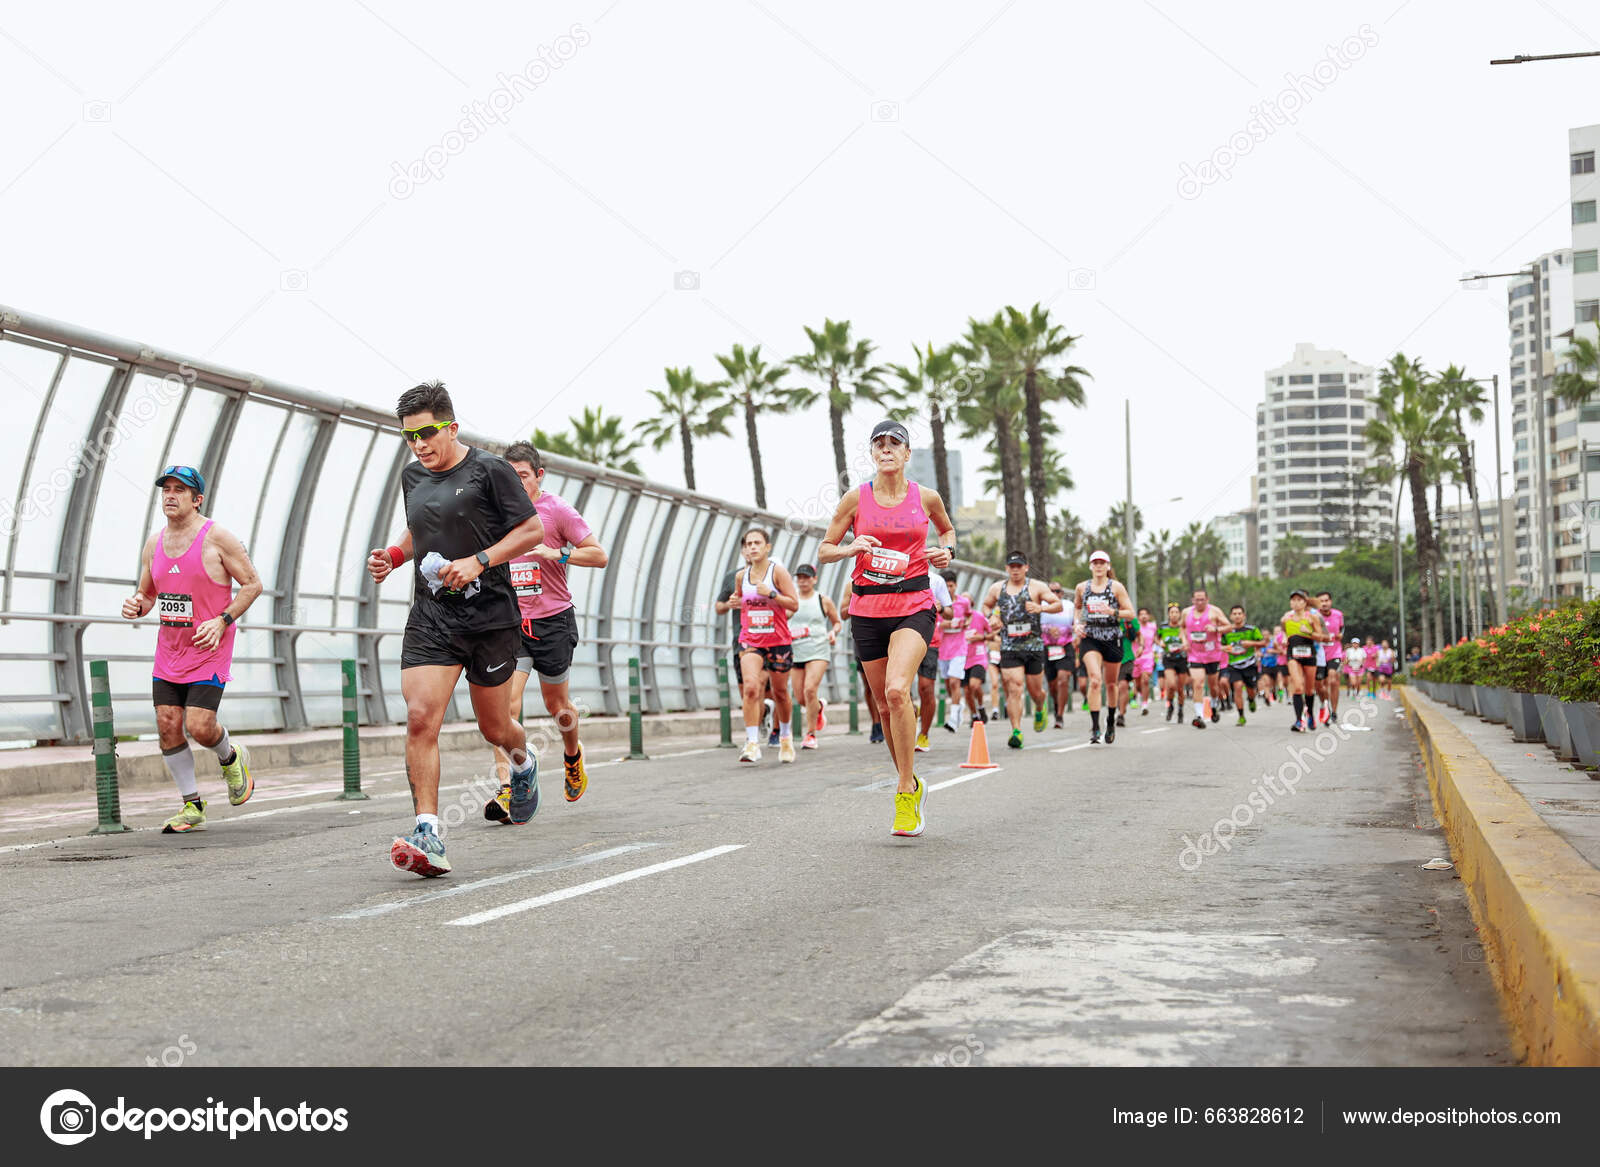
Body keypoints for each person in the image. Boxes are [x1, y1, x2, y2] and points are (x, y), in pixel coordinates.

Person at [369, 382, 546, 877]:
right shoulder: (413, 477)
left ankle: (523, 762)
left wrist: (479, 560)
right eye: (409, 437)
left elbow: (531, 531)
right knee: (422, 718)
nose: (419, 444)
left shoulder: (491, 470)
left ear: (451, 426)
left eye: (426, 433)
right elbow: (419, 527)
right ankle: (428, 829)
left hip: (490, 618)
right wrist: (394, 556)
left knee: (495, 727)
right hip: (433, 617)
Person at [818, 419, 956, 837]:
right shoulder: (855, 499)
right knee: (883, 705)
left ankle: (901, 792)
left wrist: (945, 551)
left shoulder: (926, 497)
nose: (886, 449)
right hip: (866, 608)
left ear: (907, 453)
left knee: (898, 690)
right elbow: (824, 551)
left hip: (914, 604)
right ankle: (914, 783)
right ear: (872, 453)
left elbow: (947, 531)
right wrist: (850, 548)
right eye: (879, 443)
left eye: (895, 442)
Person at [122, 465, 263, 833]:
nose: (170, 495)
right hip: (170, 650)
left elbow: (252, 585)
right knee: (168, 725)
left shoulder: (218, 538)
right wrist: (136, 604)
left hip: (209, 646)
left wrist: (222, 621)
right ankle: (192, 805)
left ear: (197, 499)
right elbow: (149, 593)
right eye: (165, 489)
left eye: (179, 490)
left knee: (199, 726)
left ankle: (230, 759)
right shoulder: (154, 543)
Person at [483, 442, 607, 821]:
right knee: (505, 707)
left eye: (522, 475)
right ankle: (510, 786)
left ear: (538, 476)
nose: (516, 483)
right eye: (510, 476)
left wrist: (561, 554)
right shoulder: (496, 513)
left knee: (559, 709)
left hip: (553, 621)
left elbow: (599, 555)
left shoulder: (556, 511)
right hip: (512, 624)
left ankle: (572, 754)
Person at [726, 527, 800, 763]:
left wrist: (772, 595)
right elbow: (740, 600)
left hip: (778, 639)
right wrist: (736, 602)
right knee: (750, 687)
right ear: (744, 550)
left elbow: (794, 604)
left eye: (757, 543)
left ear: (767, 547)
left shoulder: (777, 573)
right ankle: (752, 743)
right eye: (748, 544)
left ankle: (786, 737)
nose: (753, 547)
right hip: (751, 639)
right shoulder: (741, 576)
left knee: (779, 693)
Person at [980, 551, 1062, 749]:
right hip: (1009, 645)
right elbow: (985, 605)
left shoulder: (1037, 587)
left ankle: (1040, 707)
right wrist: (992, 617)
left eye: (1019, 566)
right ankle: (1016, 731)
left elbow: (1058, 605)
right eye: (1012, 567)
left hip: (1033, 646)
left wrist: (1041, 608)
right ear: (1007, 568)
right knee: (1014, 686)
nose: (1015, 570)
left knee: (1036, 691)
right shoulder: (997, 588)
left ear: (1026, 567)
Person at [1072, 551, 1135, 744]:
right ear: (1090, 566)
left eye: (1102, 563)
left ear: (1108, 566)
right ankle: (1095, 727)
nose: (1098, 566)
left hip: (1112, 638)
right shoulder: (1082, 587)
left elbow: (1130, 613)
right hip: (1091, 637)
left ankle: (1110, 721)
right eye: (1095, 563)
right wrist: (1076, 624)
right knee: (1095, 680)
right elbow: (1077, 607)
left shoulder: (1116, 587)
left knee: (1110, 684)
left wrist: (1113, 611)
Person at [789, 564, 843, 750]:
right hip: (795, 650)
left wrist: (832, 633)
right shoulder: (790, 599)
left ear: (814, 579)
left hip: (818, 649)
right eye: (800, 577)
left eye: (806, 577)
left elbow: (837, 622)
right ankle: (818, 707)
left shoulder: (823, 600)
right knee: (801, 697)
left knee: (810, 689)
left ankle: (810, 734)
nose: (803, 581)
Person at [914, 571, 956, 752]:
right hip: (901, 639)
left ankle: (923, 734)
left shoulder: (936, 580)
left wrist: (940, 608)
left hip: (929, 640)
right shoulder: (899, 572)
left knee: (926, 688)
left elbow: (950, 613)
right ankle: (910, 711)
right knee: (898, 688)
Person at [1180, 588, 1232, 729]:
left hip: (1212, 654)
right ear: (1192, 600)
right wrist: (1184, 641)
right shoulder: (1186, 612)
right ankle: (1199, 716)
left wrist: (1216, 629)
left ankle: (1214, 705)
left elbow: (1229, 626)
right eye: (1197, 599)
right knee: (1198, 683)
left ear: (1207, 600)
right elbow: (1182, 627)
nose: (1200, 602)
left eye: (1202, 599)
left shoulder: (1214, 611)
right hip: (1194, 654)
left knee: (1214, 686)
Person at [1279, 588, 1327, 732]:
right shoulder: (1286, 618)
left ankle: (1310, 714)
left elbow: (1322, 637)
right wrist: (1284, 637)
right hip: (1293, 654)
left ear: (1305, 603)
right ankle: (1299, 720)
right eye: (1293, 600)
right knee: (1298, 686)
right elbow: (1283, 631)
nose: (1296, 603)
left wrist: (1309, 633)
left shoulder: (1312, 618)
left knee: (1309, 690)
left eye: (1299, 600)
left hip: (1310, 654)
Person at [936, 571, 973, 732]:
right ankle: (959, 704)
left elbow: (969, 616)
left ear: (956, 585)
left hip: (960, 648)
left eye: (951, 586)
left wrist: (965, 623)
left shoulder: (963, 602)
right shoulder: (937, 603)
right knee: (948, 683)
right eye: (946, 586)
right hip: (943, 648)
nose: (949, 589)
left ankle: (953, 718)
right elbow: (936, 624)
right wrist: (947, 625)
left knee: (954, 681)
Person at [1221, 605, 1265, 726]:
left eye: (1239, 613)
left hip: (1250, 664)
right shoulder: (1227, 631)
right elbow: (1220, 646)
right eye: (1234, 614)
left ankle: (1251, 699)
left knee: (1251, 690)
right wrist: (1227, 648)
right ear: (1230, 616)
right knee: (1238, 687)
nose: (1237, 616)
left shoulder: (1251, 629)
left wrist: (1251, 643)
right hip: (1234, 665)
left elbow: (1262, 642)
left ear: (1244, 616)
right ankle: (1241, 716)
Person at [1040, 581, 1075, 729]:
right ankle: (1056, 704)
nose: (1055, 594)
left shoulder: (1069, 606)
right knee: (1052, 685)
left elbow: (1077, 623)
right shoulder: (1041, 606)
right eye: (1051, 591)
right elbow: (1034, 625)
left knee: (1063, 679)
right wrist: (1048, 629)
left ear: (1061, 593)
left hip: (1065, 646)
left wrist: (1066, 630)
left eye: (1058, 591)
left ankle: (1060, 715)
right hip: (1048, 648)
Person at [1314, 590, 1346, 725]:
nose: (1324, 603)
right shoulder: (1314, 617)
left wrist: (1340, 636)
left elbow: (1342, 629)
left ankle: (1334, 712)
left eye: (1326, 600)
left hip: (1335, 653)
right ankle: (1325, 705)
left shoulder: (1338, 614)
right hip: (1319, 654)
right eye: (1321, 601)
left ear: (1330, 602)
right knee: (1320, 685)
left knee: (1333, 680)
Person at [1156, 602, 1187, 723]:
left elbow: (1185, 639)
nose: (1174, 615)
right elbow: (1156, 638)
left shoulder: (1182, 627)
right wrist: (1160, 643)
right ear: (1168, 614)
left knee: (1180, 688)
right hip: (1168, 658)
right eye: (1171, 612)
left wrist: (1184, 644)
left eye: (1176, 612)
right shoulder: (1163, 627)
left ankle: (1180, 709)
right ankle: (1171, 706)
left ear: (1179, 614)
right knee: (1171, 685)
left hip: (1181, 659)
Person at [962, 598, 991, 723]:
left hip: (978, 657)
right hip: (962, 658)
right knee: (967, 691)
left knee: (974, 685)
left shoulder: (979, 616)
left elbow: (992, 633)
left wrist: (982, 637)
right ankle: (974, 715)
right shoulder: (956, 619)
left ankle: (980, 706)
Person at [1131, 607, 1157, 718]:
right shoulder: (1135, 627)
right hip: (1136, 656)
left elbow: (1156, 639)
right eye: (1141, 614)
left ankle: (1145, 705)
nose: (1144, 616)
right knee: (1137, 683)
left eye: (1146, 614)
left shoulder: (1153, 627)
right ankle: (1141, 695)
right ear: (1138, 616)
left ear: (1149, 616)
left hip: (1148, 656)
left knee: (1145, 680)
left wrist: (1161, 645)